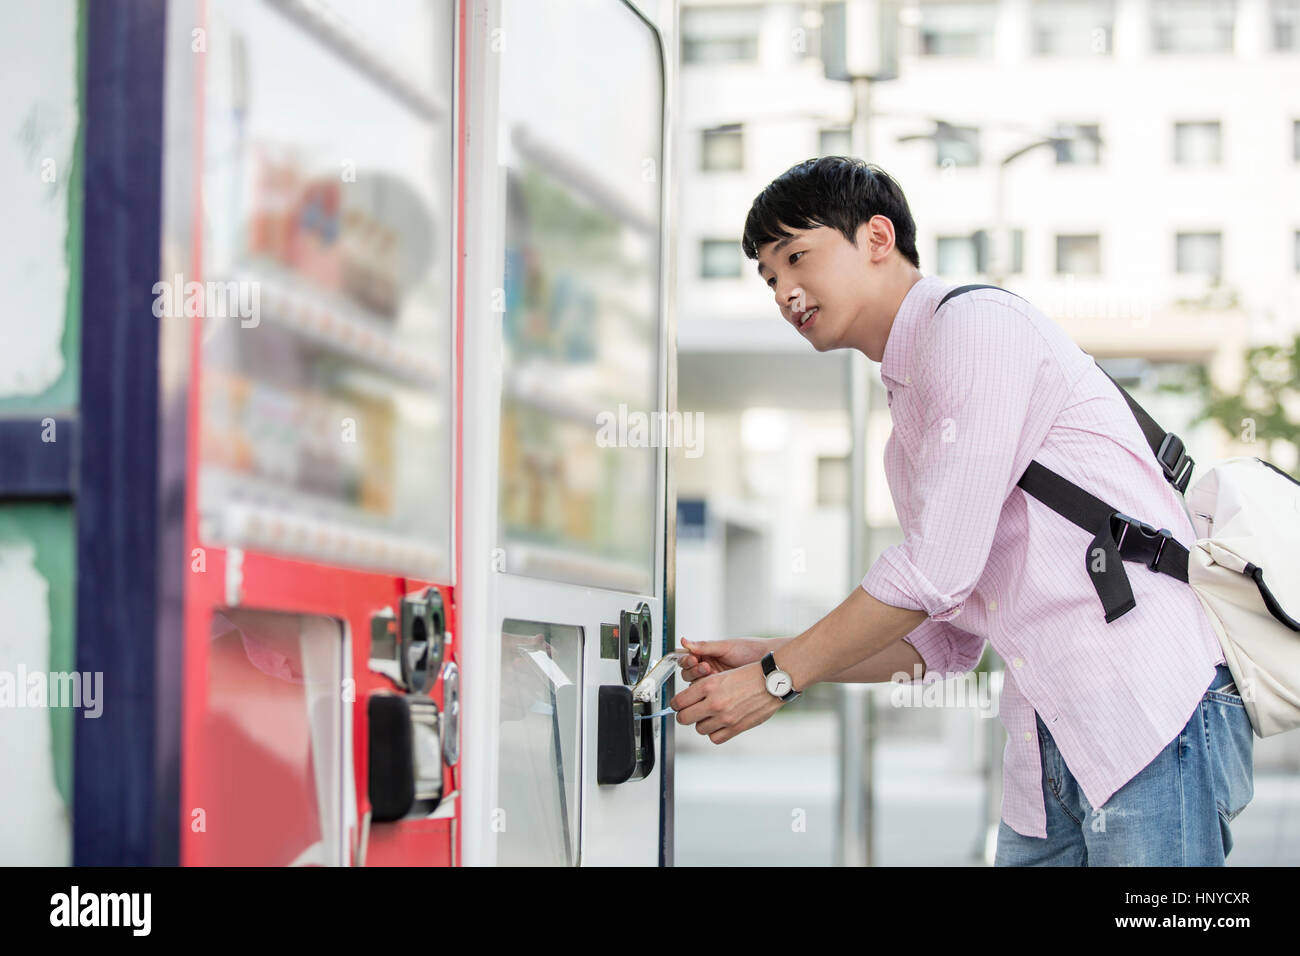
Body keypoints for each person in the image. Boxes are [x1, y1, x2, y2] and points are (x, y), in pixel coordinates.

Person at [669, 156, 1254, 866]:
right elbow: (948, 643)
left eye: (796, 256)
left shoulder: (975, 327)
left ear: (878, 238)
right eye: (768, 278)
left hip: (1150, 711)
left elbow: (932, 575)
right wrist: (772, 654)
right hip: (1048, 743)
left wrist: (778, 678)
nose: (785, 291)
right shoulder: (907, 430)